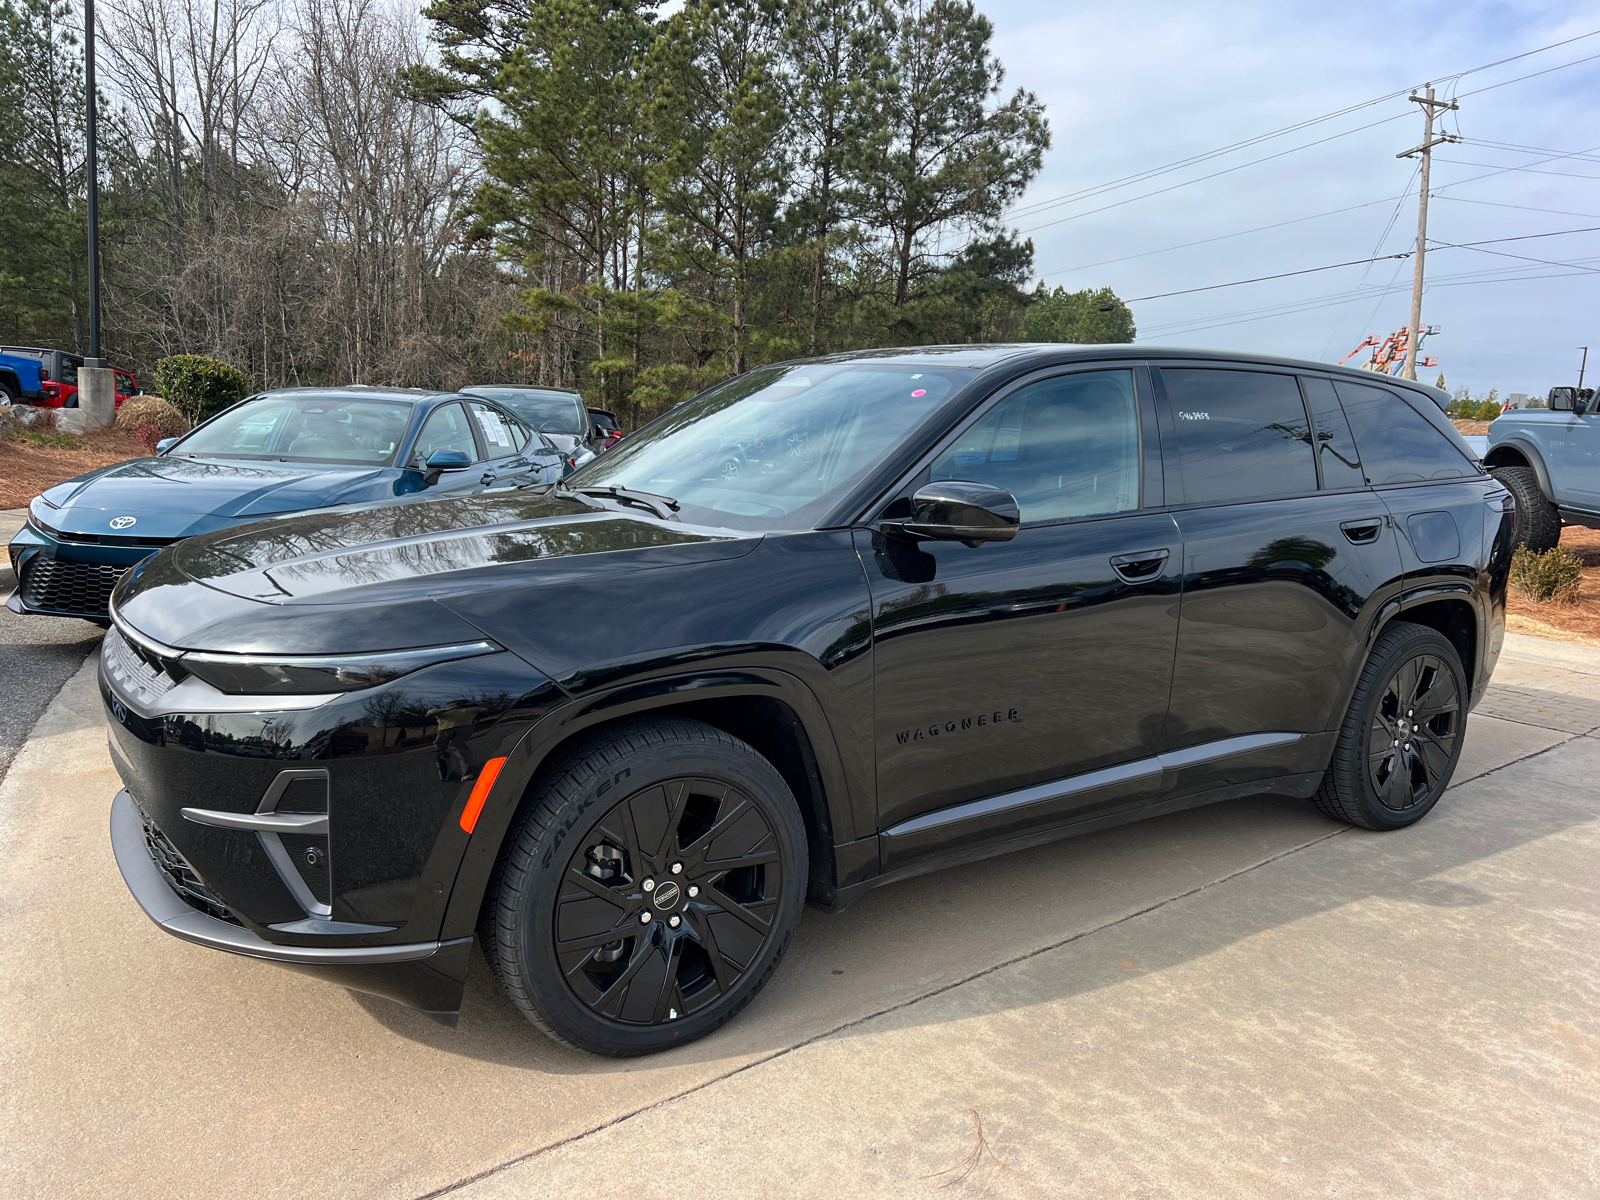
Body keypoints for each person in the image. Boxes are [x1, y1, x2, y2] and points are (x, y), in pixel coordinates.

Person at [426, 698, 488, 782]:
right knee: (439, 748)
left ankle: (467, 773)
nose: (459, 704)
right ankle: (446, 769)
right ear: (449, 703)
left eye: (462, 703)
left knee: (459, 746)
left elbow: (487, 709)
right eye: (457, 703)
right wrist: (448, 710)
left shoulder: (470, 709)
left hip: (465, 728)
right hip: (445, 730)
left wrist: (486, 706)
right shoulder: (440, 711)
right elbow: (429, 714)